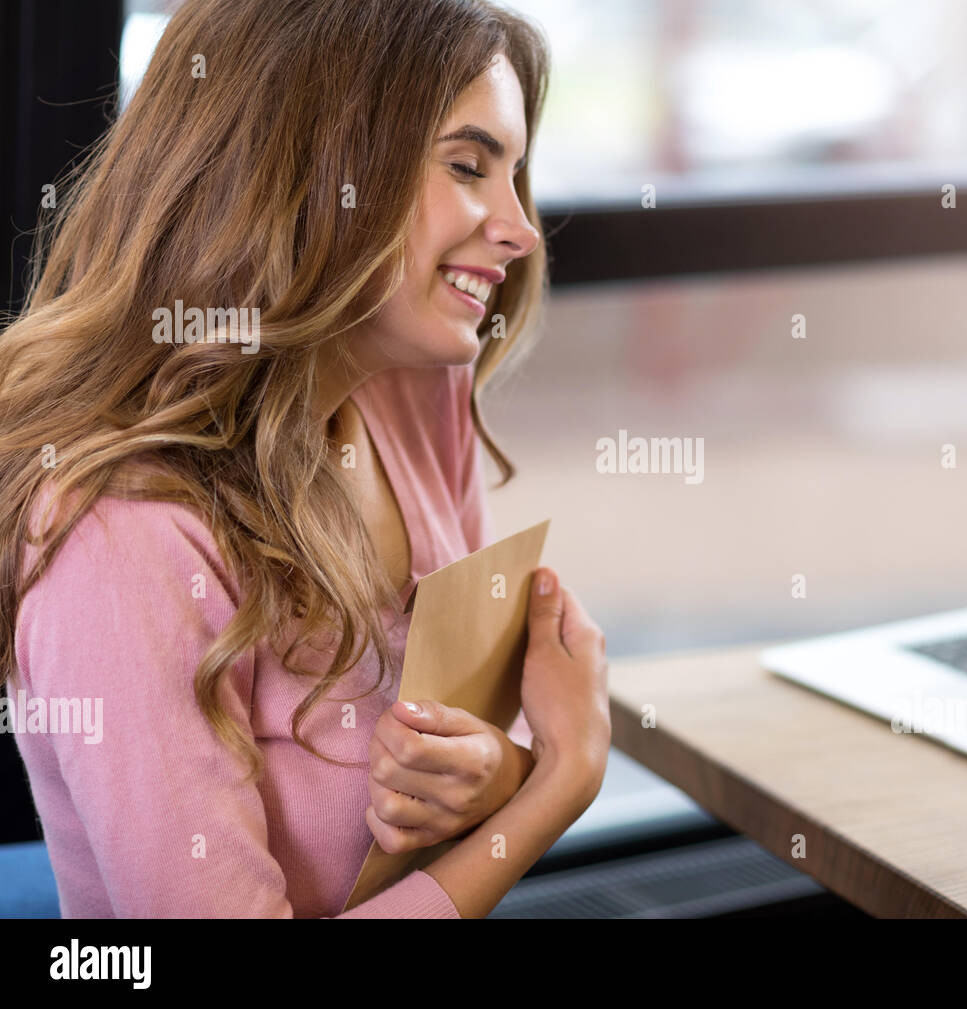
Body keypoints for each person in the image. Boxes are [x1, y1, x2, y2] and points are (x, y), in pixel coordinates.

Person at [0, 0, 610, 918]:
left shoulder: (413, 386)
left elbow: (484, 707)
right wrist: (557, 784)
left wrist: (494, 770)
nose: (521, 229)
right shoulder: (117, 536)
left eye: (515, 176)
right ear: (314, 170)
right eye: (467, 166)